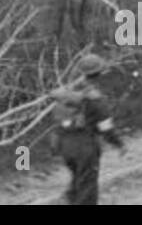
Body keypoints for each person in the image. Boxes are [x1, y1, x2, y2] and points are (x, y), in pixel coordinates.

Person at [50, 53, 124, 205]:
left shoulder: (66, 93)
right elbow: (105, 127)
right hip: (84, 146)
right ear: (100, 73)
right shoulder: (94, 98)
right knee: (87, 189)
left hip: (64, 145)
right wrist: (118, 144)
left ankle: (69, 200)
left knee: (77, 181)